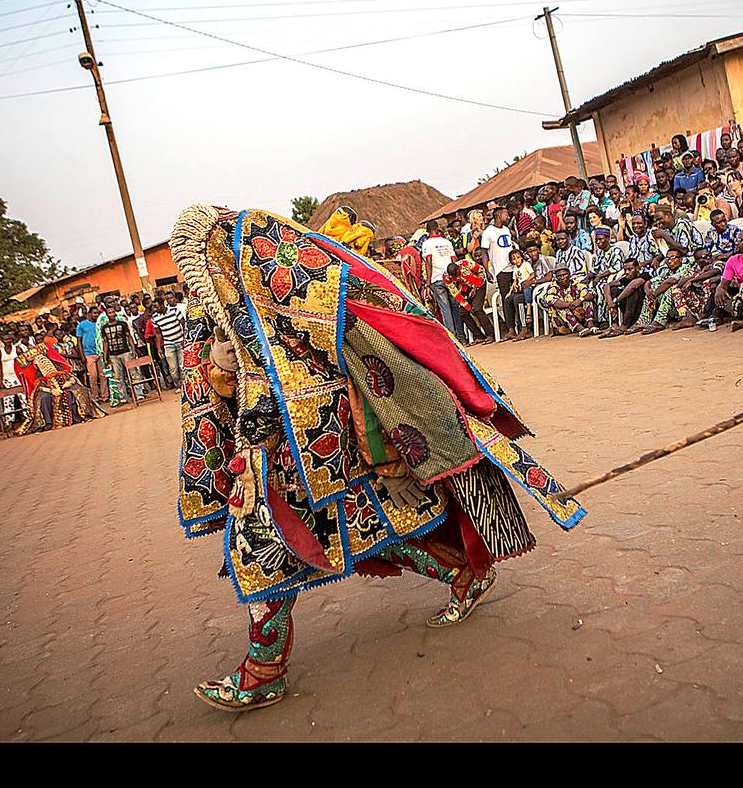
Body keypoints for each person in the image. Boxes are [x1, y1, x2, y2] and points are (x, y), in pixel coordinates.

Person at [168, 203, 584, 712]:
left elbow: (369, 365)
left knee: (277, 552)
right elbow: (226, 390)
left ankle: (263, 672)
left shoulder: (304, 293)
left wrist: (386, 458)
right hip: (279, 461)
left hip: (328, 451)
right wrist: (217, 366)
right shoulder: (229, 312)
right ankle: (461, 573)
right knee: (360, 537)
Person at [12, 338, 98, 434]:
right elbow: (38, 386)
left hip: (64, 386)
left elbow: (70, 376)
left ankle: (81, 416)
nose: (43, 362)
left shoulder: (57, 367)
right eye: (39, 361)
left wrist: (69, 382)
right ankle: (46, 424)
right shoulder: (38, 374)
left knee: (77, 390)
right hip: (47, 390)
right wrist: (51, 390)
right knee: (43, 398)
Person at [635, 243, 694, 334]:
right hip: (670, 310)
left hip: (683, 308)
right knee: (653, 287)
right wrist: (648, 290)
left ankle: (659, 322)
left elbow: (670, 281)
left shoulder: (685, 268)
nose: (669, 261)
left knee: (670, 288)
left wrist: (654, 295)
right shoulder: (666, 270)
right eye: (667, 258)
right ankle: (643, 321)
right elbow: (650, 281)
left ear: (681, 259)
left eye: (673, 258)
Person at [421, 221, 459, 340]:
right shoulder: (446, 242)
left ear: (427, 231)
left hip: (437, 279)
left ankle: (452, 338)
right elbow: (454, 259)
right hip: (450, 277)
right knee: (455, 307)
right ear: (437, 229)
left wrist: (427, 283)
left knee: (445, 309)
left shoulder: (427, 244)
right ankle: (461, 336)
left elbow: (429, 263)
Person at [601, 258, 650, 337]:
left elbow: (633, 286)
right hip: (628, 309)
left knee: (633, 291)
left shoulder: (644, 275)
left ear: (637, 268)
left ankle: (624, 325)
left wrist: (616, 301)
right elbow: (608, 285)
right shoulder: (627, 278)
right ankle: (614, 324)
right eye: (625, 270)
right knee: (613, 290)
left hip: (639, 310)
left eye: (630, 269)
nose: (627, 272)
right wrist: (610, 302)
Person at [101, 304, 137, 404]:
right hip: (113, 355)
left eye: (113, 312)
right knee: (118, 377)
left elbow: (129, 337)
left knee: (133, 373)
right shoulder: (104, 328)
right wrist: (105, 357)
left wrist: (133, 350)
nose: (111, 314)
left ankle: (139, 394)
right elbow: (105, 343)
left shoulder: (122, 324)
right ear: (107, 315)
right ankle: (123, 397)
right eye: (109, 313)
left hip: (125, 352)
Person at [501, 249, 535, 341]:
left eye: (518, 257)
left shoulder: (526, 265)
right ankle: (511, 329)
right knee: (507, 300)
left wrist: (526, 282)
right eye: (514, 259)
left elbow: (532, 275)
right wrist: (510, 291)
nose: (516, 260)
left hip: (527, 288)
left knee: (518, 299)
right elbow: (515, 280)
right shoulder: (515, 268)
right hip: (519, 289)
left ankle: (524, 328)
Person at [153, 296, 186, 387]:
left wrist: (184, 338)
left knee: (182, 365)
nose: (155, 309)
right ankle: (178, 385)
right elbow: (158, 333)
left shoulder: (174, 311)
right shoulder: (155, 318)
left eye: (157, 307)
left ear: (162, 304)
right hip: (168, 345)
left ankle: (185, 385)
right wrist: (159, 348)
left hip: (180, 342)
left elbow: (184, 324)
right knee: (173, 368)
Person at [76, 306, 104, 404]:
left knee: (103, 375)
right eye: (94, 313)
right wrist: (82, 356)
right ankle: (95, 397)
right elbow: (79, 341)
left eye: (97, 313)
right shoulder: (82, 325)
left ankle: (105, 396)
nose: (96, 315)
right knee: (93, 376)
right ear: (89, 313)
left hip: (100, 352)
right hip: (88, 354)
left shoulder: (99, 323)